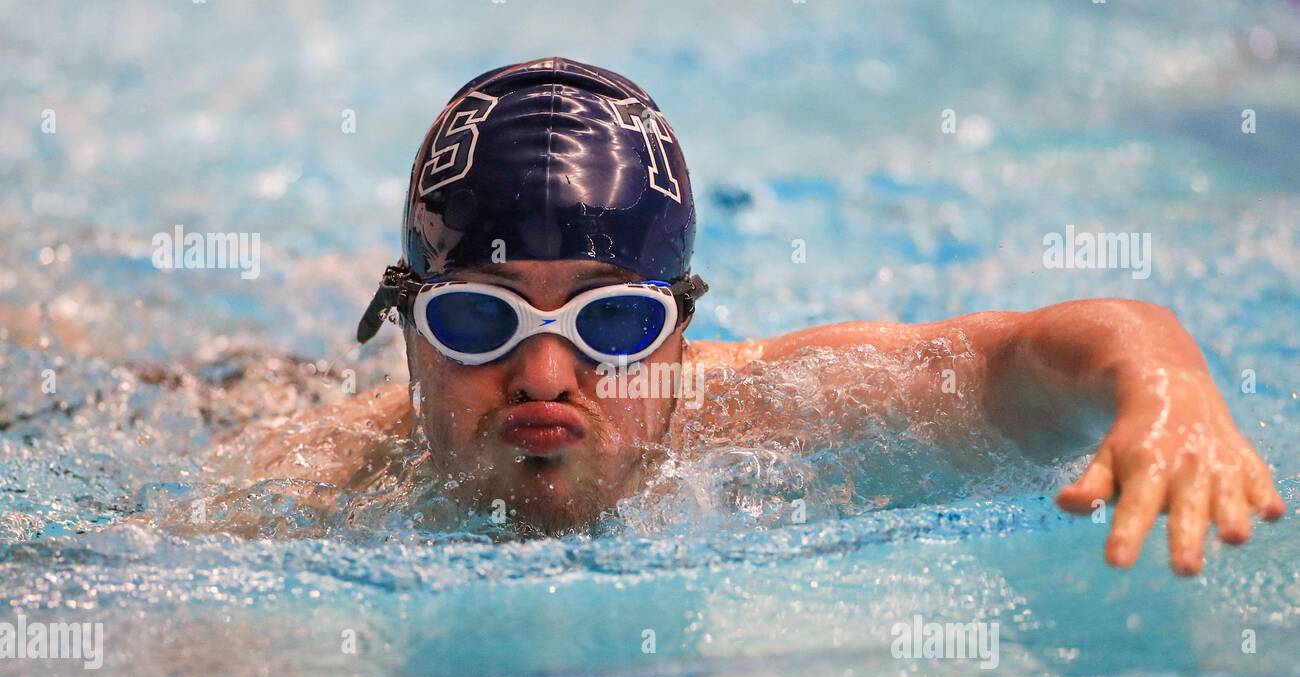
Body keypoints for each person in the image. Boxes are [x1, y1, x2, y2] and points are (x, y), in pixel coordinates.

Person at [249, 57, 1284, 574]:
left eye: (609, 326)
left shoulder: (781, 411)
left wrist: (1169, 384)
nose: (547, 379)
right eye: (481, 322)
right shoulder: (309, 483)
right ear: (410, 335)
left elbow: (1035, 350)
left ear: (679, 336)